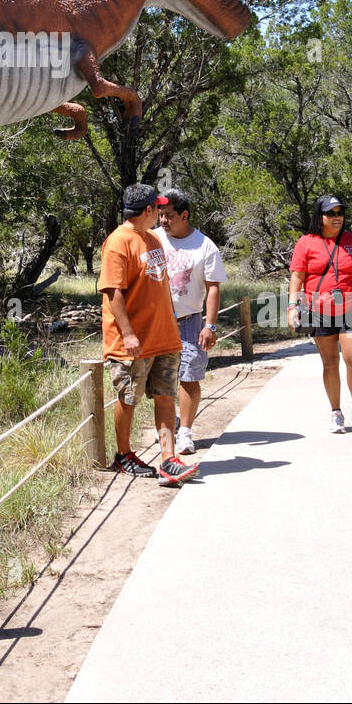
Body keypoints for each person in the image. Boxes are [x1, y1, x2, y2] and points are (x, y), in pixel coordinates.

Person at [99, 182, 198, 486]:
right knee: (130, 397)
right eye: (158, 208)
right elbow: (113, 292)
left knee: (166, 396)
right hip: (133, 341)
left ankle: (169, 461)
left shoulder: (153, 239)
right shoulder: (118, 242)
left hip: (163, 336)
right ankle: (124, 455)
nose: (161, 213)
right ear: (147, 211)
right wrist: (128, 334)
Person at [287, 195, 352, 436]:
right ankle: (336, 412)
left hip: (351, 307)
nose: (337, 217)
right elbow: (297, 277)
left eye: (340, 212)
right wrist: (292, 306)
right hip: (318, 308)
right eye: (331, 213)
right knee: (330, 363)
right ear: (319, 216)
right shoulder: (306, 243)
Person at [156, 188, 228, 455]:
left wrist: (210, 326)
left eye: (169, 215)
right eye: (160, 215)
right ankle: (166, 427)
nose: (163, 221)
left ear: (184, 215)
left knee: (188, 377)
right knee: (161, 380)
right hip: (158, 321)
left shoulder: (204, 246)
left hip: (190, 321)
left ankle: (185, 432)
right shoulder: (153, 239)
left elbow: (213, 288)